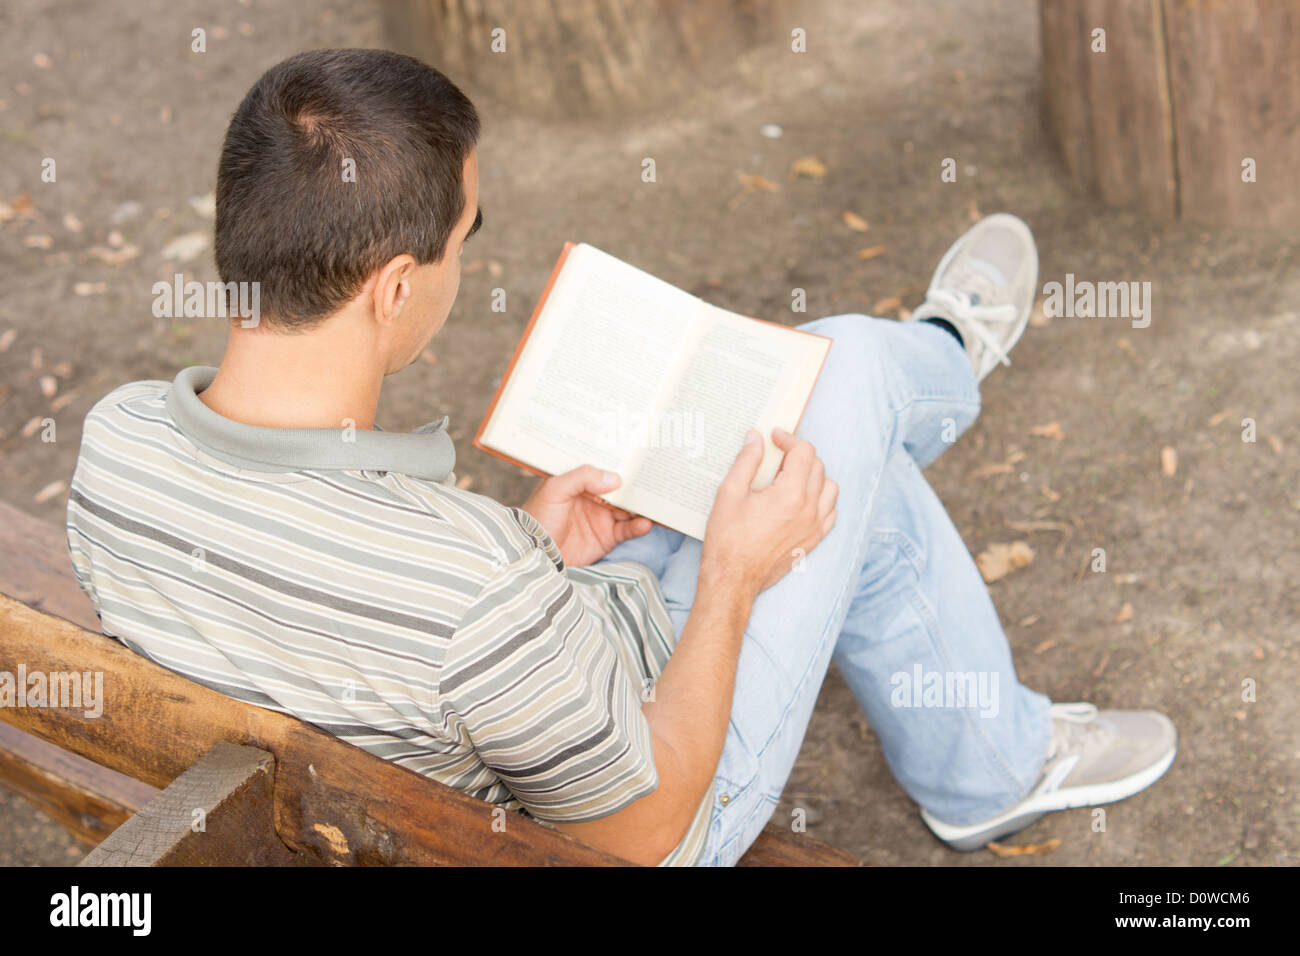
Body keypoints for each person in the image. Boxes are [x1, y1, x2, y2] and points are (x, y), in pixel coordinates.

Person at [65, 49, 1176, 867]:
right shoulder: (472, 589)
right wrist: (732, 576)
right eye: (466, 240)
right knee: (846, 373)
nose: (465, 267)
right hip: (638, 807)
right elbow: (642, 828)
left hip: (485, 715)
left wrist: (533, 548)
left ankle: (988, 760)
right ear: (395, 287)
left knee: (836, 452)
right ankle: (944, 360)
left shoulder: (115, 445)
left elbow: (351, 612)